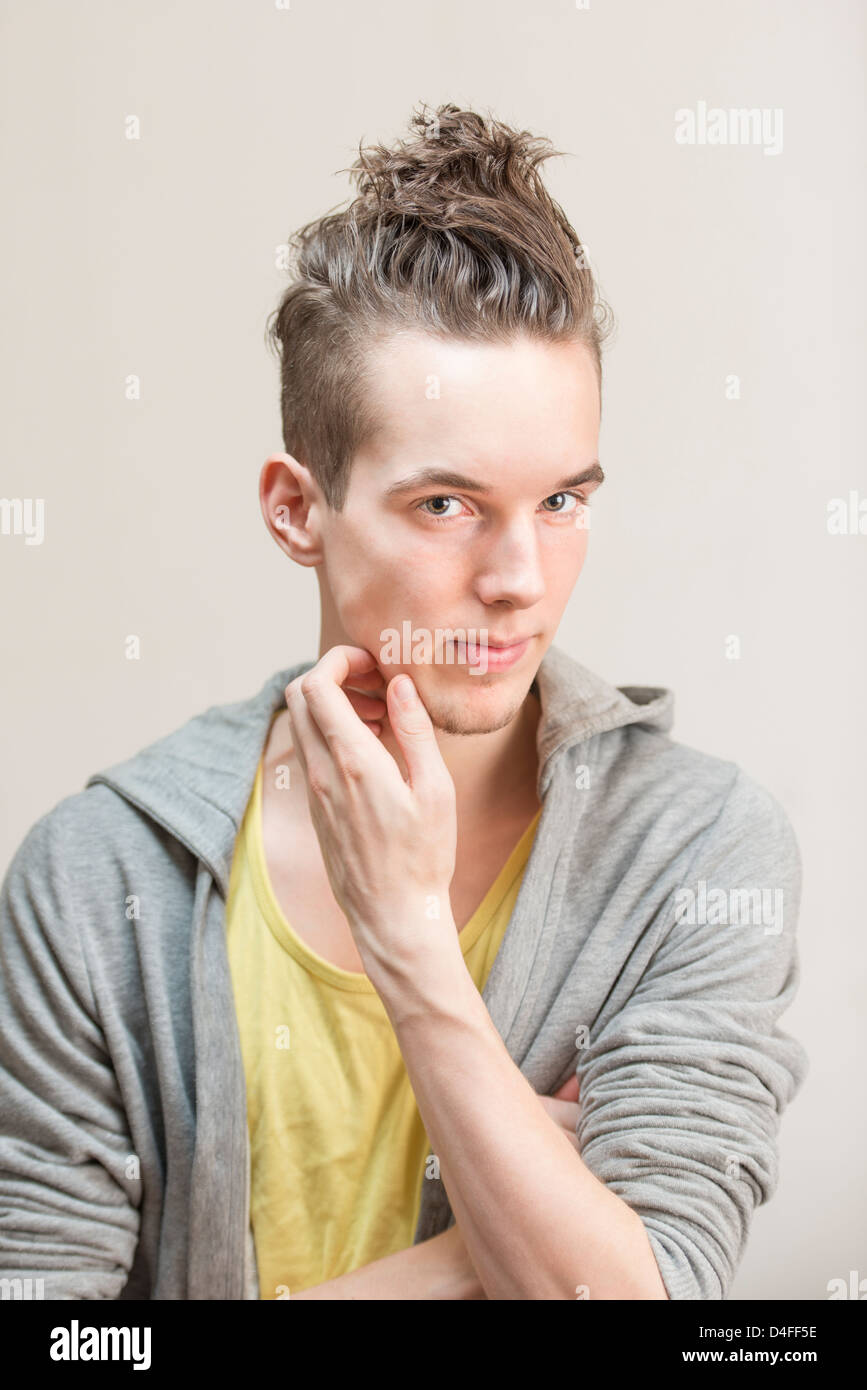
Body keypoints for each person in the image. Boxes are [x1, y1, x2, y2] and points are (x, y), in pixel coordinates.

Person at [0, 102, 807, 1301]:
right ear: (295, 510)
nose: (519, 580)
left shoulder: (697, 848)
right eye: (447, 505)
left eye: (561, 501)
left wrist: (409, 942)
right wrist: (469, 1260)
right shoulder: (98, 874)